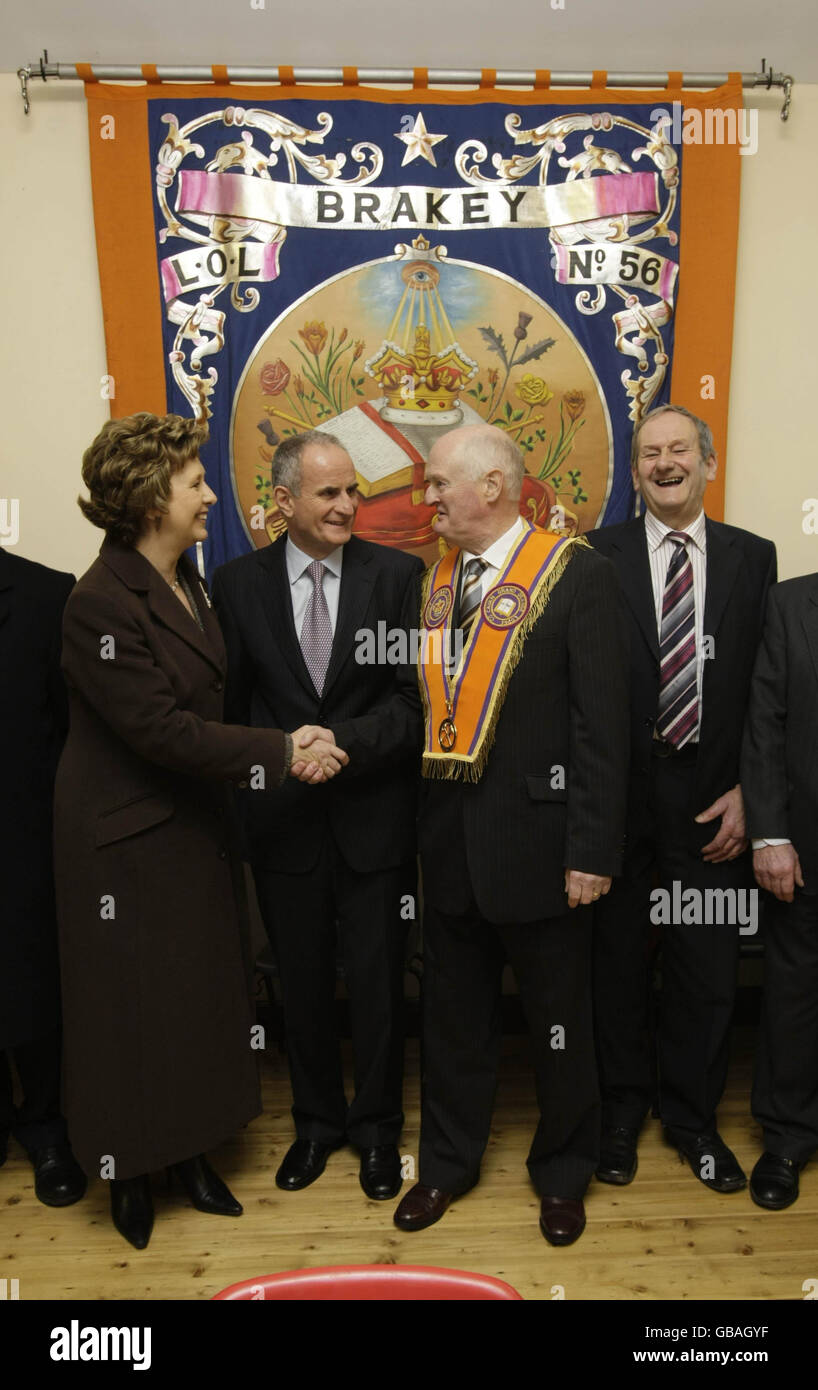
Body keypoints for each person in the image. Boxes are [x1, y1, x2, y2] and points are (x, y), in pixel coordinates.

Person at [54, 411, 346, 1250]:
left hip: (191, 823)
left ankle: (187, 1158)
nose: (211, 492)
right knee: (126, 1011)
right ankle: (128, 1174)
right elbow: (162, 731)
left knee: (194, 1002)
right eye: (193, 482)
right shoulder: (98, 603)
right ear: (151, 498)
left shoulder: (190, 579)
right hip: (122, 840)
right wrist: (284, 750)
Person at [393, 423, 629, 1246]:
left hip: (546, 849)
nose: (425, 501)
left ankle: (565, 1174)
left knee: (562, 1025)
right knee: (452, 1022)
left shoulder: (578, 577)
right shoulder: (432, 586)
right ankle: (446, 1167)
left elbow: (603, 728)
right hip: (450, 850)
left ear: (491, 487)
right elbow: (430, 713)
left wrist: (593, 853)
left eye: (436, 486)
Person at [212, 431, 423, 1202]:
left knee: (376, 988)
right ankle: (315, 1126)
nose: (346, 506)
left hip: (374, 822)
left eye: (352, 491)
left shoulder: (399, 577)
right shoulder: (234, 585)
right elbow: (231, 715)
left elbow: (413, 702)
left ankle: (376, 1133)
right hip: (284, 826)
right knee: (296, 986)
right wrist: (281, 759)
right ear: (284, 502)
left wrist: (342, 744)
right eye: (328, 493)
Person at [587, 404, 776, 1192]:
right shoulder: (593, 556)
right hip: (620, 801)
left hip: (712, 804)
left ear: (709, 462)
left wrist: (750, 795)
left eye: (679, 451)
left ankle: (695, 1121)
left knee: (705, 969)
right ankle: (623, 1114)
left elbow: (769, 689)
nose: (665, 464)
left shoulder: (752, 558)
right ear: (635, 472)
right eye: (650, 454)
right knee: (617, 966)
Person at [0, 547, 85, 1207]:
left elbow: (69, 732)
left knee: (33, 987)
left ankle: (48, 1129)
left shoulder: (46, 595)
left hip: (23, 841)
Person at [741, 574, 818, 1209]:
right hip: (805, 848)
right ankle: (789, 1135)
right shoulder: (790, 603)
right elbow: (765, 722)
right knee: (795, 993)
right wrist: (768, 836)